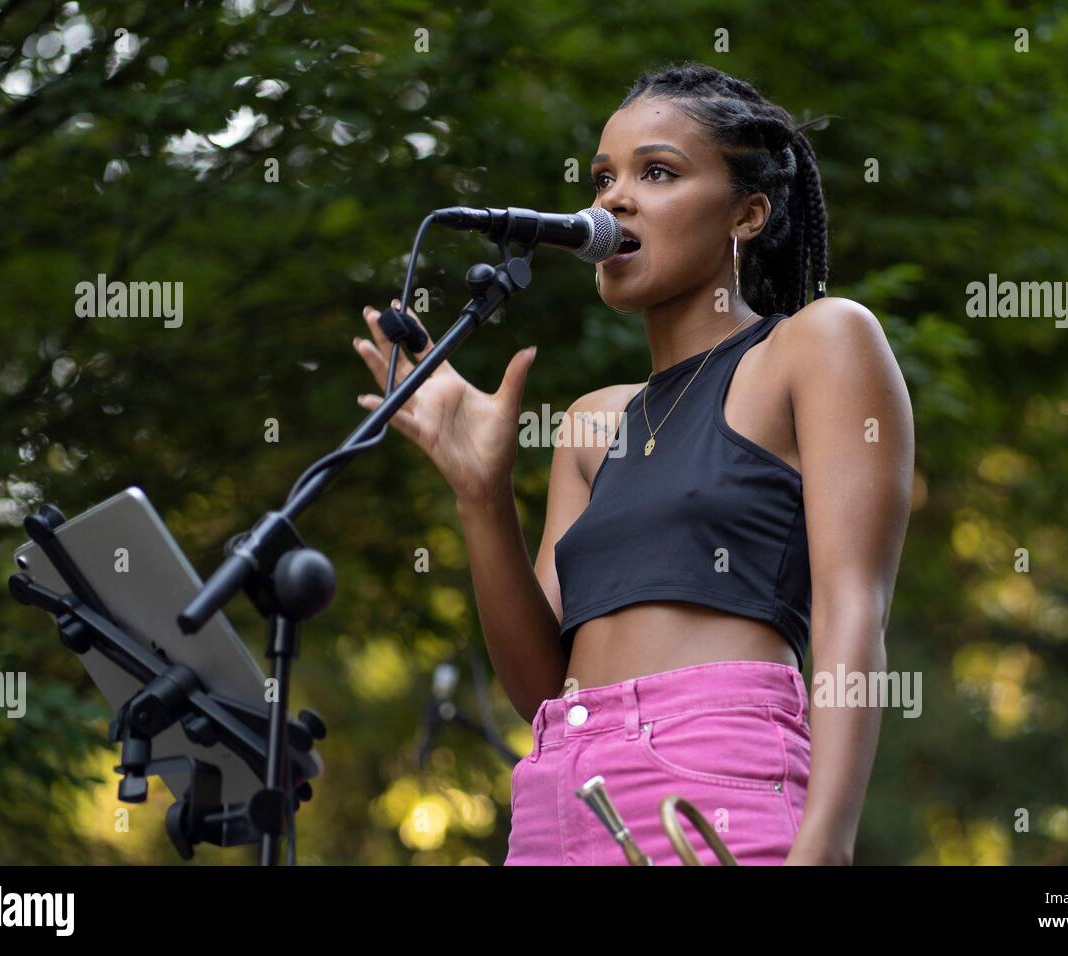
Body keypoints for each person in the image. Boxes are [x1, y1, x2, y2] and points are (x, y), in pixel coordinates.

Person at [353, 60, 913, 865]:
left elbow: (854, 610)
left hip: (717, 776)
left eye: (657, 173)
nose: (612, 200)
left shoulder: (817, 343)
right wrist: (481, 494)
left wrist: (825, 843)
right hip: (557, 794)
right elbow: (540, 689)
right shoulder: (590, 424)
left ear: (747, 213)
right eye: (603, 177)